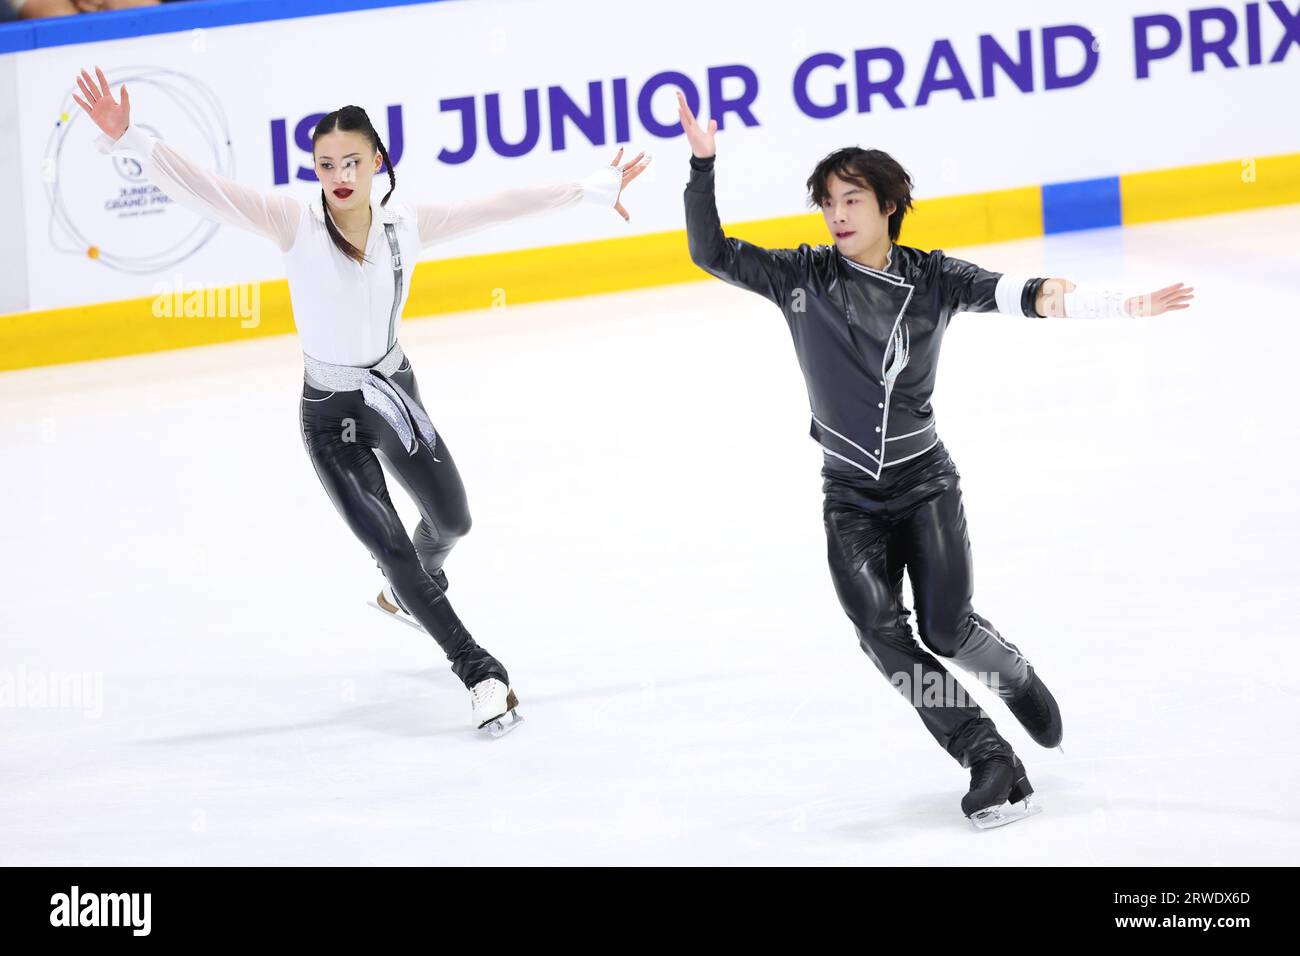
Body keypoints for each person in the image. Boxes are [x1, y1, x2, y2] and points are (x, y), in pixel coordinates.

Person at [72, 65, 650, 737]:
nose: (339, 174)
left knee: (453, 523)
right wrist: (132, 139)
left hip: (395, 392)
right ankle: (481, 672)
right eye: (325, 164)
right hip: (330, 417)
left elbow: (499, 205)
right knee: (396, 551)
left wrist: (587, 189)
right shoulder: (293, 221)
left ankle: (404, 593)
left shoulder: (408, 222)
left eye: (351, 160)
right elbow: (209, 191)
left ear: (378, 160)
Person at [676, 91, 1193, 827]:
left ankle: (1011, 674)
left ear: (889, 205)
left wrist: (1117, 305)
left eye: (852, 199)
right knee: (880, 632)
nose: (837, 215)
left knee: (948, 629)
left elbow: (1026, 293)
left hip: (925, 486)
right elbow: (711, 253)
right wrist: (703, 164)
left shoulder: (934, 279)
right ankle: (987, 755)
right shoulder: (802, 278)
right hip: (849, 497)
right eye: (828, 203)